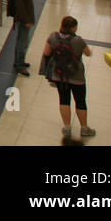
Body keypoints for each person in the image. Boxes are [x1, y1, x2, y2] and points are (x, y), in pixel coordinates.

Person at [41, 15, 95, 143]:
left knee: (64, 99)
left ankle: (67, 127)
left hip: (60, 75)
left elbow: (47, 53)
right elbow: (88, 53)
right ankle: (84, 128)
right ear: (73, 27)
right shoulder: (78, 40)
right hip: (77, 76)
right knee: (80, 100)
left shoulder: (53, 37)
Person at [10, 0, 35, 76]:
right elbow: (20, 6)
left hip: (26, 18)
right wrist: (26, 20)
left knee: (22, 41)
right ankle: (19, 65)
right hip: (23, 19)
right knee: (22, 43)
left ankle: (19, 62)